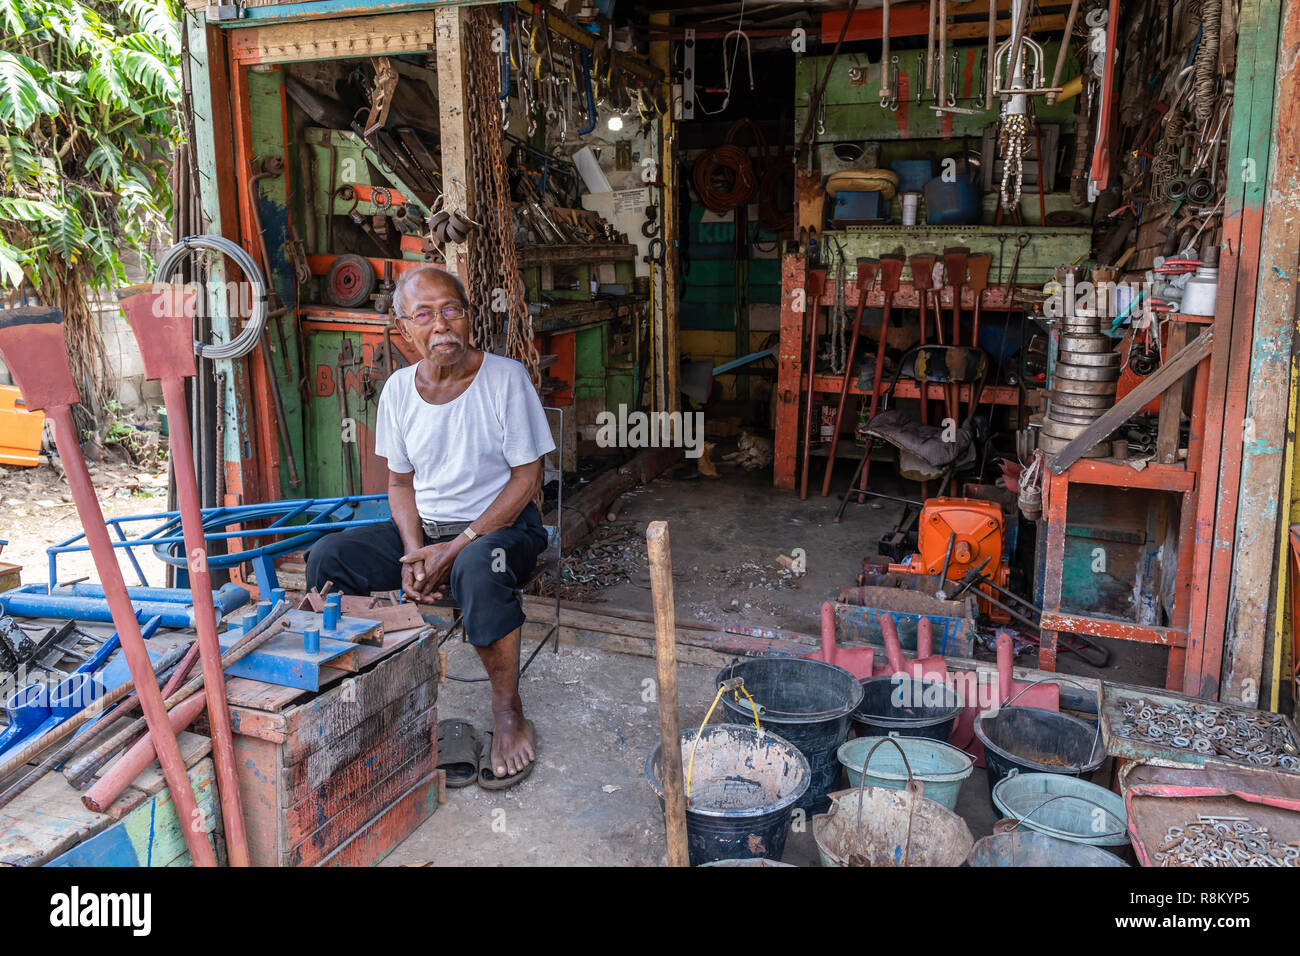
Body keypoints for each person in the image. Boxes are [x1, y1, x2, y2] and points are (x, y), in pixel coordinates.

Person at [306, 264, 554, 787]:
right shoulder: (398, 390)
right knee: (328, 558)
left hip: (501, 529)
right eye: (424, 315)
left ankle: (508, 710)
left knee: (479, 570)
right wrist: (414, 552)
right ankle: (366, 699)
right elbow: (400, 486)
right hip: (431, 531)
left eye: (451, 311)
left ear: (467, 318)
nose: (441, 325)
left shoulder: (504, 379)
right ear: (404, 329)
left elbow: (528, 479)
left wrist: (456, 546)